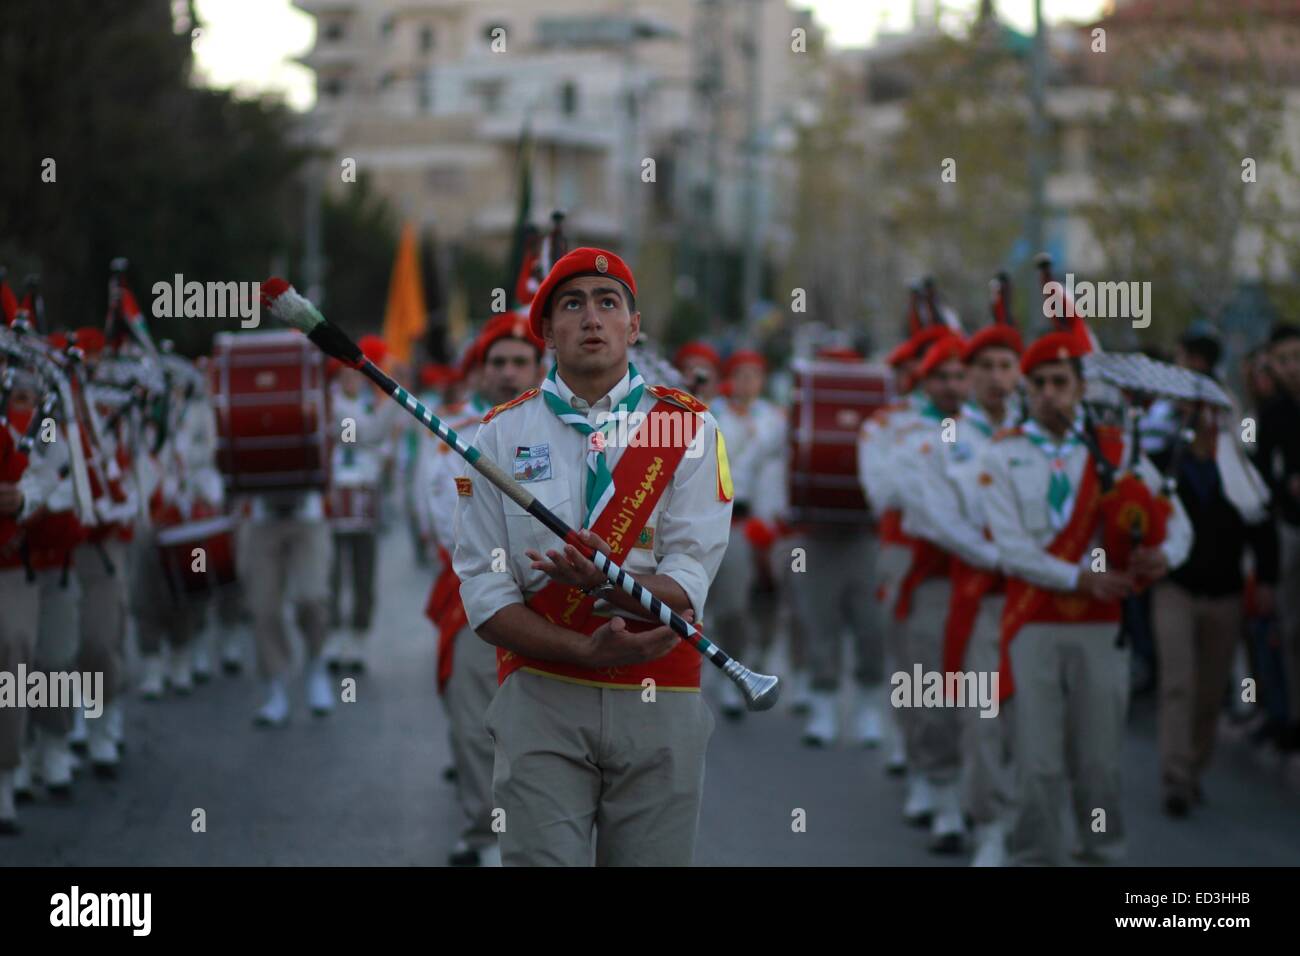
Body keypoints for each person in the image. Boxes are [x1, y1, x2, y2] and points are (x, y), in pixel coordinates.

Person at [453, 247, 731, 866]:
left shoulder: (685, 427)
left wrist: (613, 583)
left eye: (609, 303)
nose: (591, 318)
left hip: (661, 690)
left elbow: (692, 568)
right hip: (541, 689)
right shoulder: (498, 435)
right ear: (547, 330)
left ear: (634, 326)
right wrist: (583, 649)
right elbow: (484, 587)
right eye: (572, 304)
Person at [981, 324, 1192, 865]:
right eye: (1039, 383)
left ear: (1079, 388)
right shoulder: (1003, 456)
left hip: (1103, 625)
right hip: (1035, 623)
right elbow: (1012, 549)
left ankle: (1103, 851)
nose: (1049, 393)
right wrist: (1079, 577)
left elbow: (1177, 524)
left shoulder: (1117, 453)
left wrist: (1160, 556)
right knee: (1038, 762)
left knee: (1098, 762)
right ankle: (1034, 856)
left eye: (1060, 382)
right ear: (1025, 391)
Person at [423, 311, 544, 866]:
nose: (508, 372)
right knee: (474, 720)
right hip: (476, 589)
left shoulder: (567, 427)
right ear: (479, 372)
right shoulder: (449, 429)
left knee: (542, 727)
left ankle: (534, 834)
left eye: (521, 362)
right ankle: (484, 833)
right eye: (497, 362)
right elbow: (434, 504)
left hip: (551, 593)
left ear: (541, 368)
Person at [1150, 390, 1275, 816]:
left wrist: (1268, 579)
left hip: (1224, 592)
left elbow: (1263, 526)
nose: (1205, 423)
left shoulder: (1243, 470)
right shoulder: (1169, 462)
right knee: (1178, 682)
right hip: (1175, 587)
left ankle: (1196, 765)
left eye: (1213, 415)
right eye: (1196, 413)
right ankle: (1175, 776)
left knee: (1209, 690)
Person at [709, 348, 786, 718]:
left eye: (755, 375)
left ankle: (761, 657)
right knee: (733, 603)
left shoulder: (777, 418)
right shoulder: (712, 415)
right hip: (732, 520)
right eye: (741, 374)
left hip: (770, 520)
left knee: (769, 600)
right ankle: (731, 671)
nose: (748, 382)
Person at [325, 335, 399, 674]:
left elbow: (383, 450)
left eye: (357, 374)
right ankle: (333, 638)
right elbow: (365, 435)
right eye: (348, 374)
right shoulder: (332, 405)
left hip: (365, 502)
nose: (353, 380)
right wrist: (394, 398)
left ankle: (358, 638)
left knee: (363, 574)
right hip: (335, 503)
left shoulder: (371, 404)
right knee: (332, 575)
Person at [1254, 323, 1300, 761]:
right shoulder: (1271, 417)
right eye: (1282, 361)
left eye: (1296, 358)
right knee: (1289, 629)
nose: (1291, 369)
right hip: (1290, 531)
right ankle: (1289, 716)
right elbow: (1260, 485)